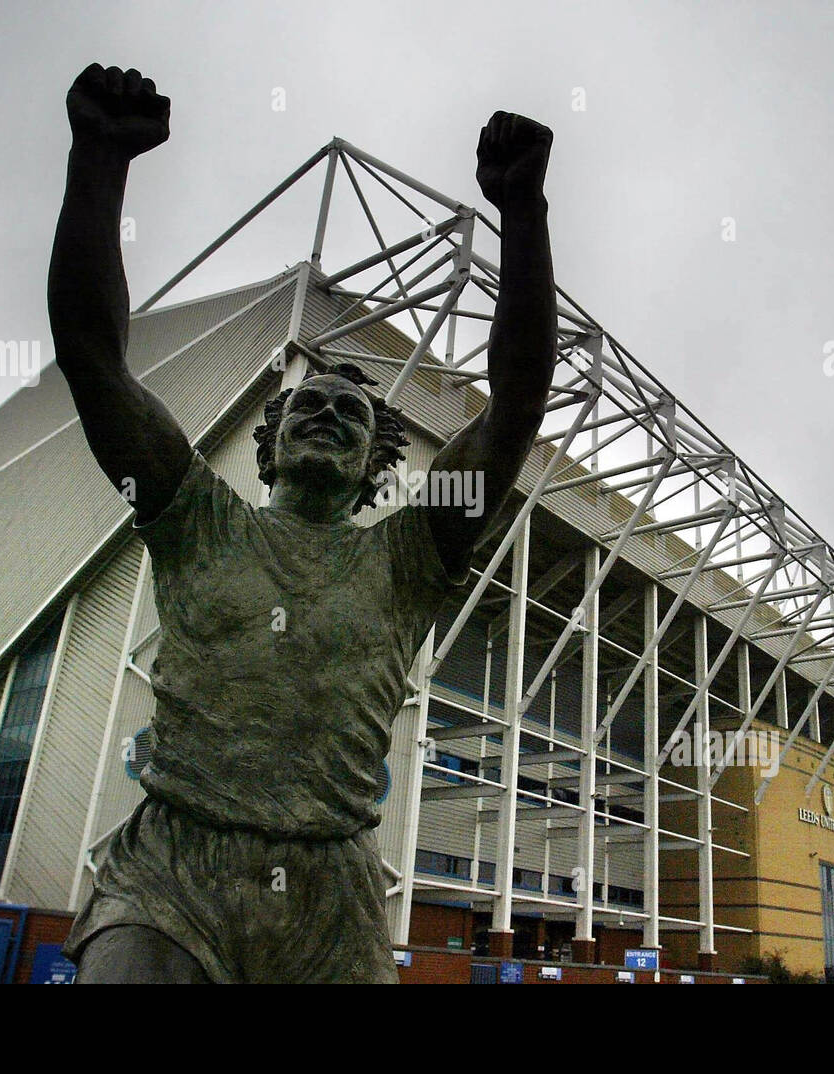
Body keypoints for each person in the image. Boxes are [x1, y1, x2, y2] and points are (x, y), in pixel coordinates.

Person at [48, 63, 557, 982]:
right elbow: (93, 358)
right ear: (270, 448)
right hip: (172, 873)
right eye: (307, 405)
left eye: (352, 414)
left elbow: (516, 404)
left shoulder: (410, 554)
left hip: (331, 889)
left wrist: (524, 219)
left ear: (376, 469)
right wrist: (97, 161)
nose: (327, 411)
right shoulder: (196, 517)